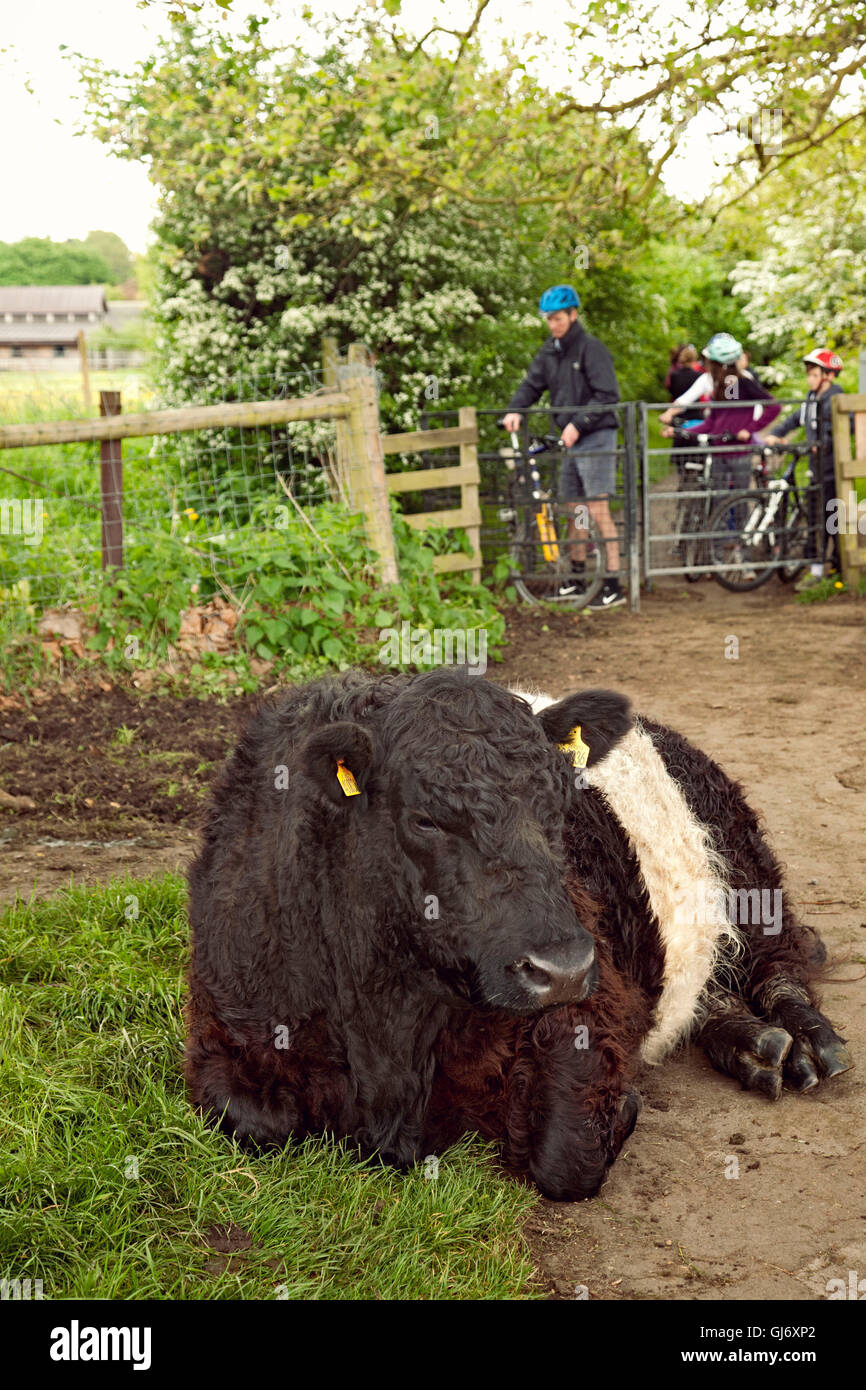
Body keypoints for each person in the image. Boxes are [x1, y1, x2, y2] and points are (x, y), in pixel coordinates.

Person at [503, 284, 624, 610]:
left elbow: (607, 396)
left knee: (598, 510)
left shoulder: (590, 349)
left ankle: (613, 582)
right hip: (570, 439)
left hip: (595, 435)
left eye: (557, 318)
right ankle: (577, 578)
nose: (552, 324)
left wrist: (577, 424)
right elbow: (532, 384)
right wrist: (515, 409)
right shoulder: (550, 351)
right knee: (575, 510)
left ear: (573, 315)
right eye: (548, 319)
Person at [759, 349, 845, 589]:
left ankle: (831, 569)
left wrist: (821, 445)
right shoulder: (811, 398)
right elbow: (794, 419)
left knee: (828, 519)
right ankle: (818, 568)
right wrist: (776, 434)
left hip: (830, 471)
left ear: (828, 376)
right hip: (815, 470)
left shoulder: (835, 399)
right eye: (809, 374)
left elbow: (836, 429)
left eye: (814, 374)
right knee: (816, 517)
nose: (810, 379)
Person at [660, 333, 780, 491]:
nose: (708, 367)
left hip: (739, 452)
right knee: (719, 501)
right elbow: (712, 423)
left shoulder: (742, 382)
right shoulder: (720, 386)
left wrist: (749, 429)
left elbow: (773, 406)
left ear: (721, 364)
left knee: (738, 502)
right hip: (719, 452)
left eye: (711, 363)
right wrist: (679, 432)